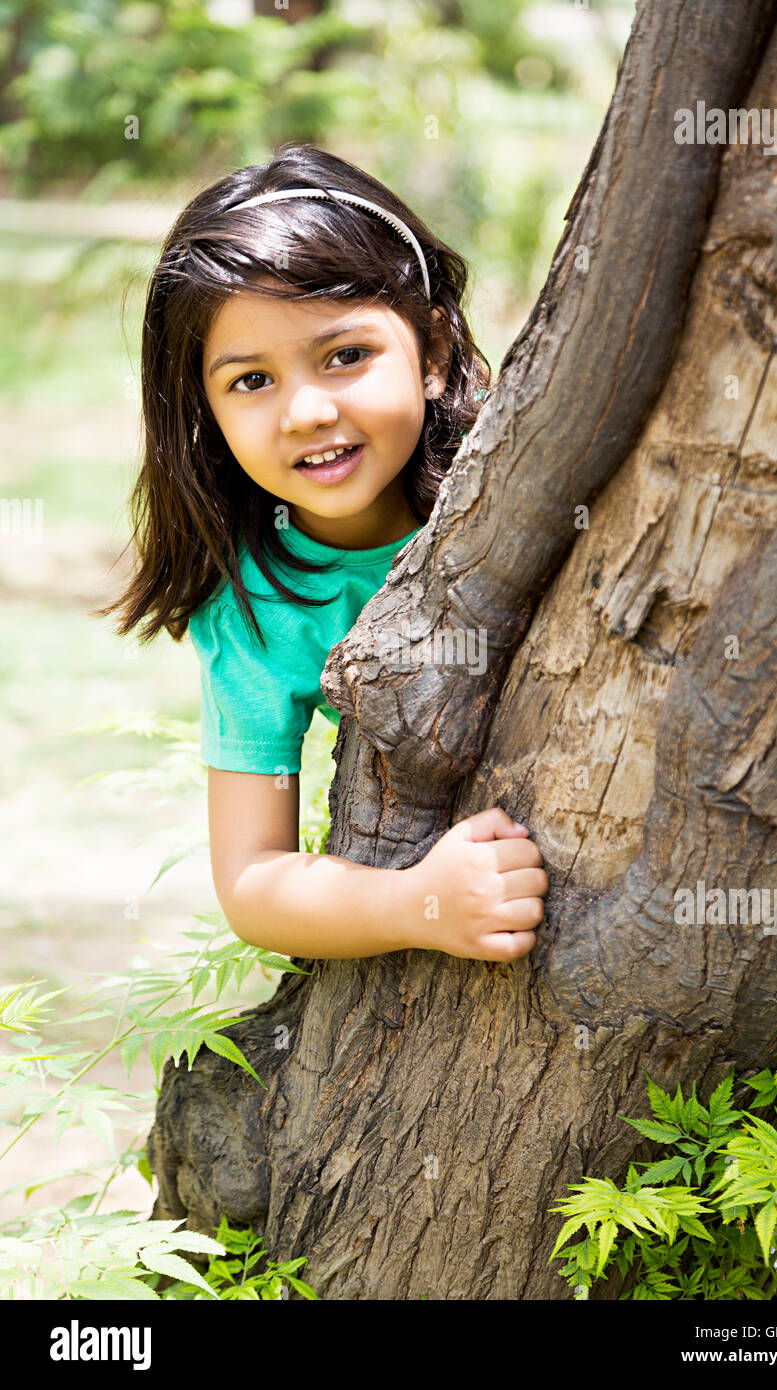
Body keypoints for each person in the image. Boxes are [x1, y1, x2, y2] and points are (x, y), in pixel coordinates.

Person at [96, 142, 549, 962]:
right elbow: (252, 880)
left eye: (346, 356)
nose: (306, 410)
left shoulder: (533, 487)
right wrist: (417, 903)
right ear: (204, 411)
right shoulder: (258, 607)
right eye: (251, 380)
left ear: (435, 354)